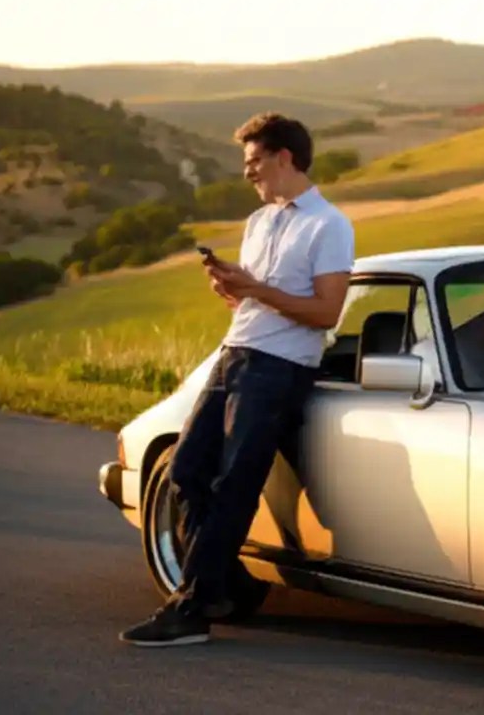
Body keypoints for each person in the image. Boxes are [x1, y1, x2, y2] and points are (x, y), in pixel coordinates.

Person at [120, 112, 354, 646]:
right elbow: (259, 299)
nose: (248, 173)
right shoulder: (259, 222)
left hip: (280, 369)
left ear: (284, 158)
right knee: (185, 470)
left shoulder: (329, 225)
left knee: (234, 483)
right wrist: (234, 289)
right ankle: (215, 586)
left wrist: (256, 289)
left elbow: (326, 312)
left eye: (254, 162)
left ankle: (193, 607)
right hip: (235, 355)